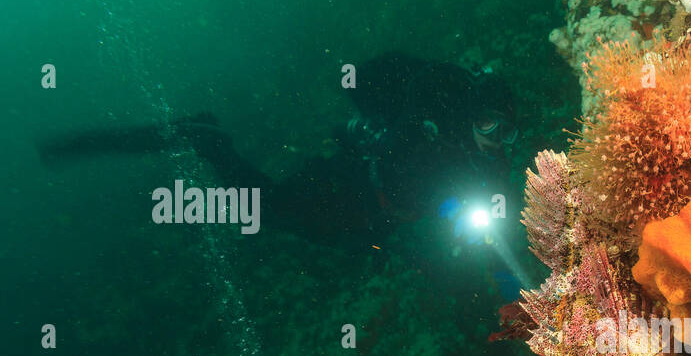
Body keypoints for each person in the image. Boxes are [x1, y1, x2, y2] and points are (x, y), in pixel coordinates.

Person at [37, 52, 518, 252]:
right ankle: (204, 139)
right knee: (267, 209)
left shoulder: (461, 145)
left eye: (505, 131)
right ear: (473, 114)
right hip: (345, 192)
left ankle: (205, 138)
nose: (495, 138)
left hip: (359, 210)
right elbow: (399, 178)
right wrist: (447, 205)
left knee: (281, 218)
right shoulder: (431, 135)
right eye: (489, 125)